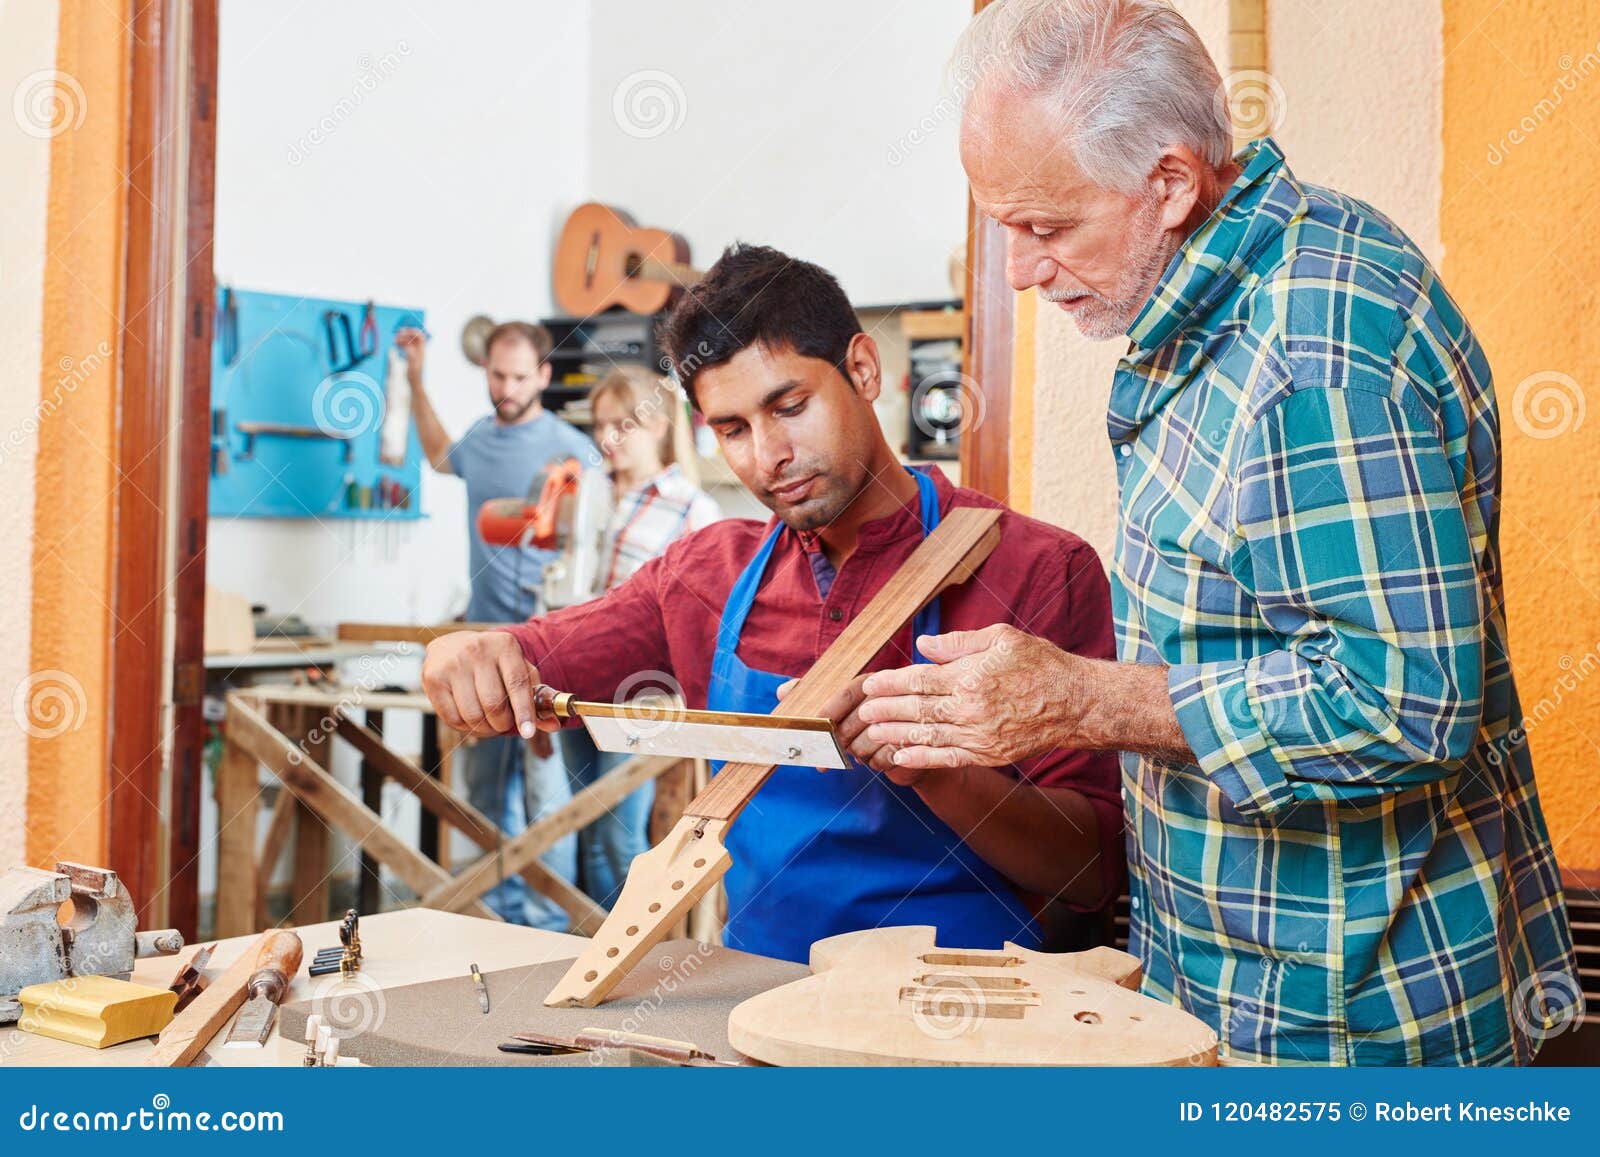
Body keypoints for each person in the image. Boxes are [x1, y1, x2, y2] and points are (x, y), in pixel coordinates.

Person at [852, 0, 1580, 1064]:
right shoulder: (1222, 291)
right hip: (1239, 983)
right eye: (1003, 225)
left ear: (1171, 184)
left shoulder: (1315, 358)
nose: (1016, 270)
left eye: (1046, 228)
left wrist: (1081, 696)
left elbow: (1405, 701)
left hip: (1347, 1018)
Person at [419, 243, 1125, 964]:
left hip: (964, 1018)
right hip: (753, 1001)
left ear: (862, 369)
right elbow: (528, 654)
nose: (767, 456)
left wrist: (937, 771)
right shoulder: (704, 575)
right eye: (731, 429)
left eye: (789, 406)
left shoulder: (1038, 569)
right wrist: (468, 653)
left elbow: (1089, 870)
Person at [398, 319, 595, 929]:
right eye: (496, 376)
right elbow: (436, 453)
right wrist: (414, 378)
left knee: (546, 801)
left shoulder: (572, 450)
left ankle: (548, 931)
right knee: (483, 799)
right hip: (480, 648)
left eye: (518, 376)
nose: (506, 387)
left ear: (542, 375)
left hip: (548, 648)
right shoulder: (480, 438)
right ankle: (494, 927)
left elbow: (593, 547)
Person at [558, 366, 720, 908]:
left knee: (615, 833)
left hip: (639, 690)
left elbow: (703, 614)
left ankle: (618, 956)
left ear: (655, 426)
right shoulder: (586, 494)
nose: (608, 439)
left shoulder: (692, 507)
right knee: (572, 824)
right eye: (600, 425)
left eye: (622, 425)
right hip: (574, 677)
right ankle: (575, 952)